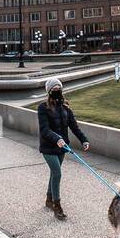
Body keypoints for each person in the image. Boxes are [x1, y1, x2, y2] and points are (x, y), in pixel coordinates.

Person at [37, 77, 89, 220]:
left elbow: (74, 126)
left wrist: (84, 140)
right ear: (49, 91)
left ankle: (48, 199)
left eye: (59, 89)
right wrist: (57, 138)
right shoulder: (43, 107)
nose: (57, 91)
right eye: (54, 90)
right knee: (57, 173)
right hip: (48, 147)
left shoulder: (66, 108)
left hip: (62, 148)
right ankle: (57, 206)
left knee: (54, 173)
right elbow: (44, 129)